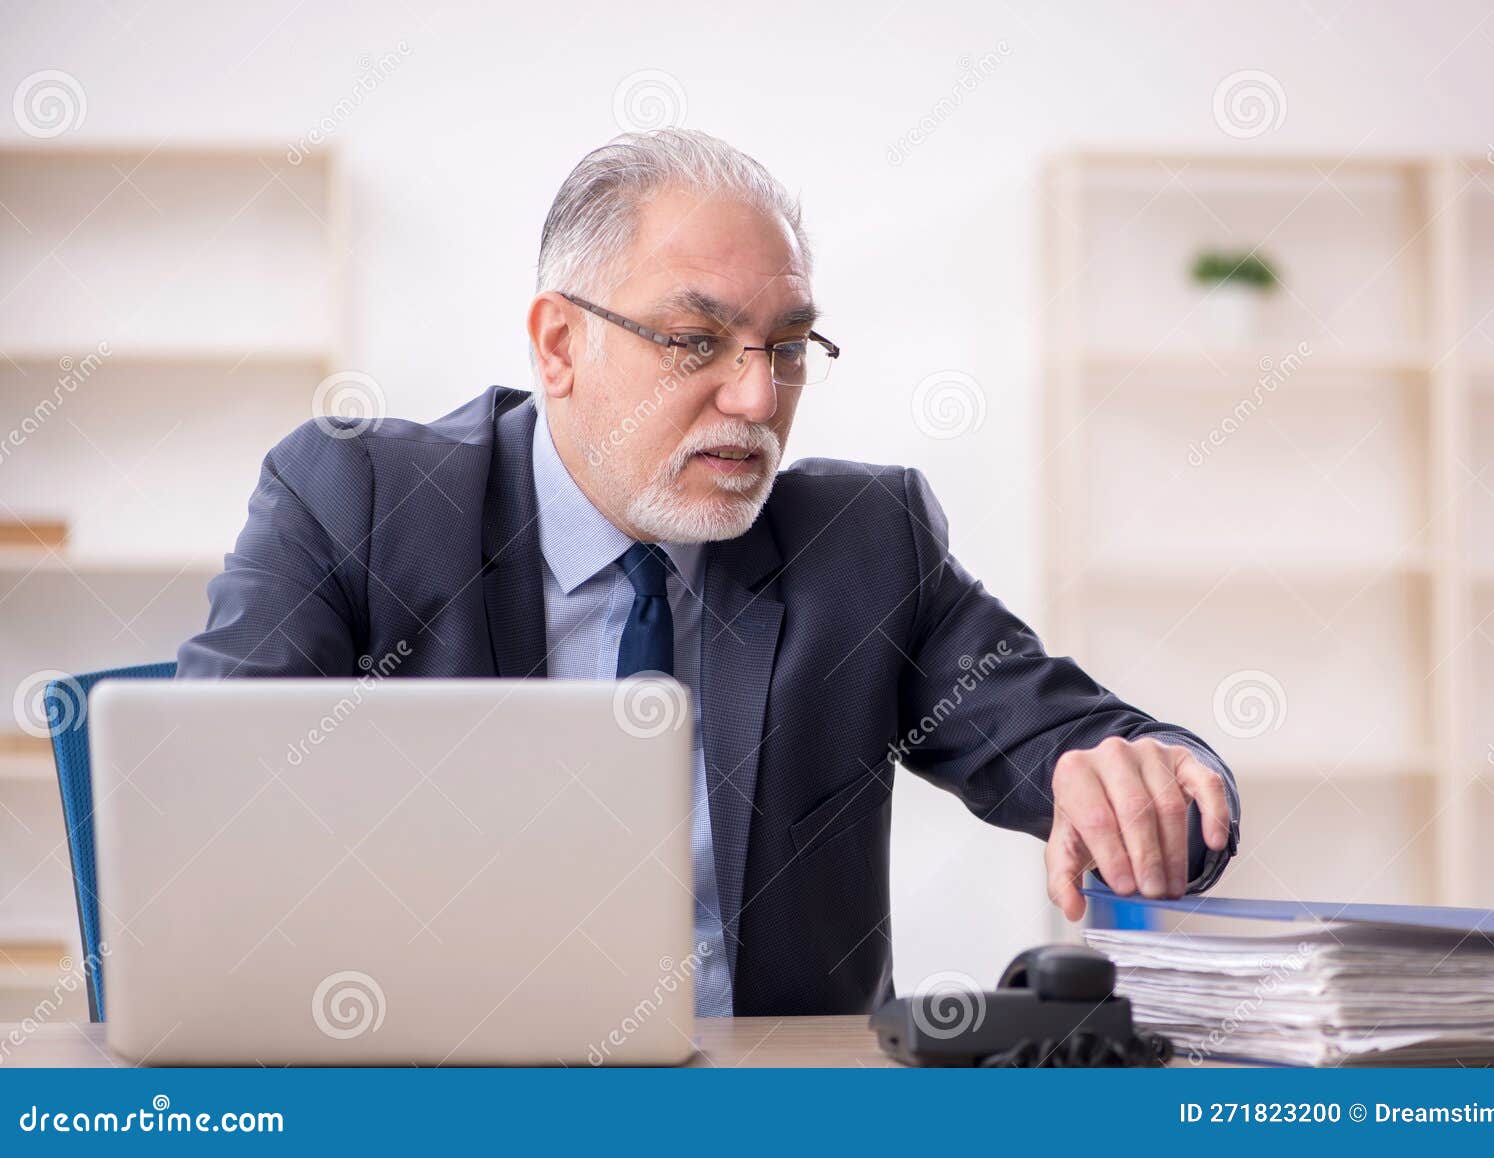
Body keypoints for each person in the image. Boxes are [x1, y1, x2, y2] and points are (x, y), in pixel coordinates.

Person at [178, 128, 1240, 1017]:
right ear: (558, 345)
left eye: (786, 347)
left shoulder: (861, 543)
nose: (754, 398)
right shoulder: (358, 501)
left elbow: (1082, 746)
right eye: (695, 341)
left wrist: (1156, 778)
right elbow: (206, 819)